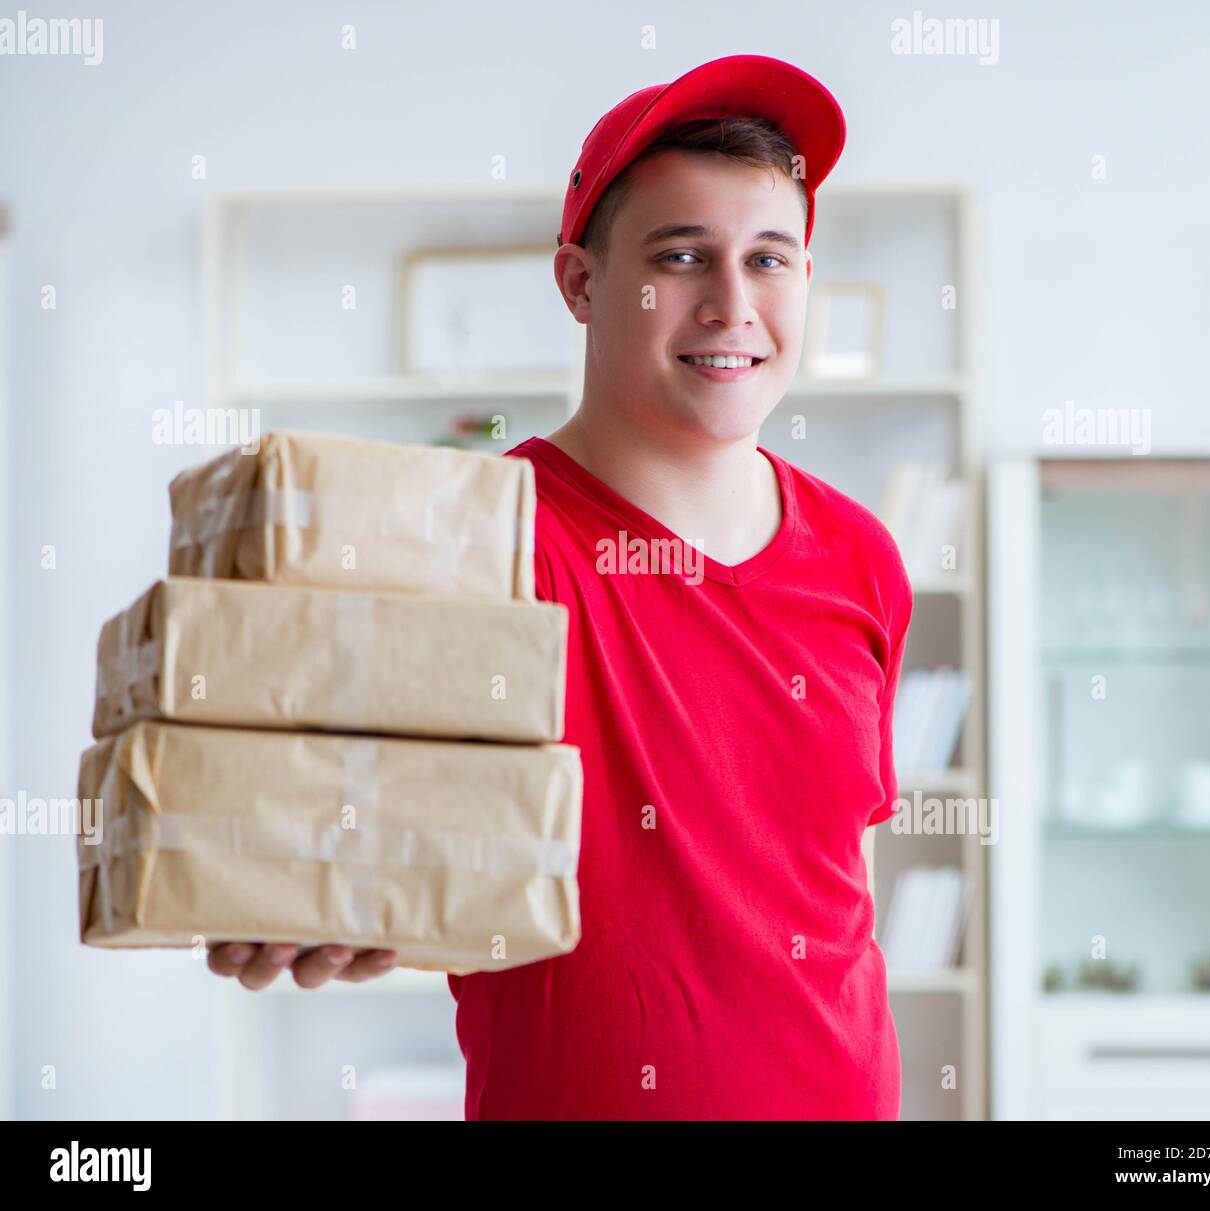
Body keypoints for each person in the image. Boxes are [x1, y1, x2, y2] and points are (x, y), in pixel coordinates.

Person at [209, 53, 912, 1122]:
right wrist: (307, 891)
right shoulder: (460, 541)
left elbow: (820, 879)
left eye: (769, 259)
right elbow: (343, 817)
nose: (733, 303)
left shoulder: (863, 559)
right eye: (681, 257)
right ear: (581, 283)